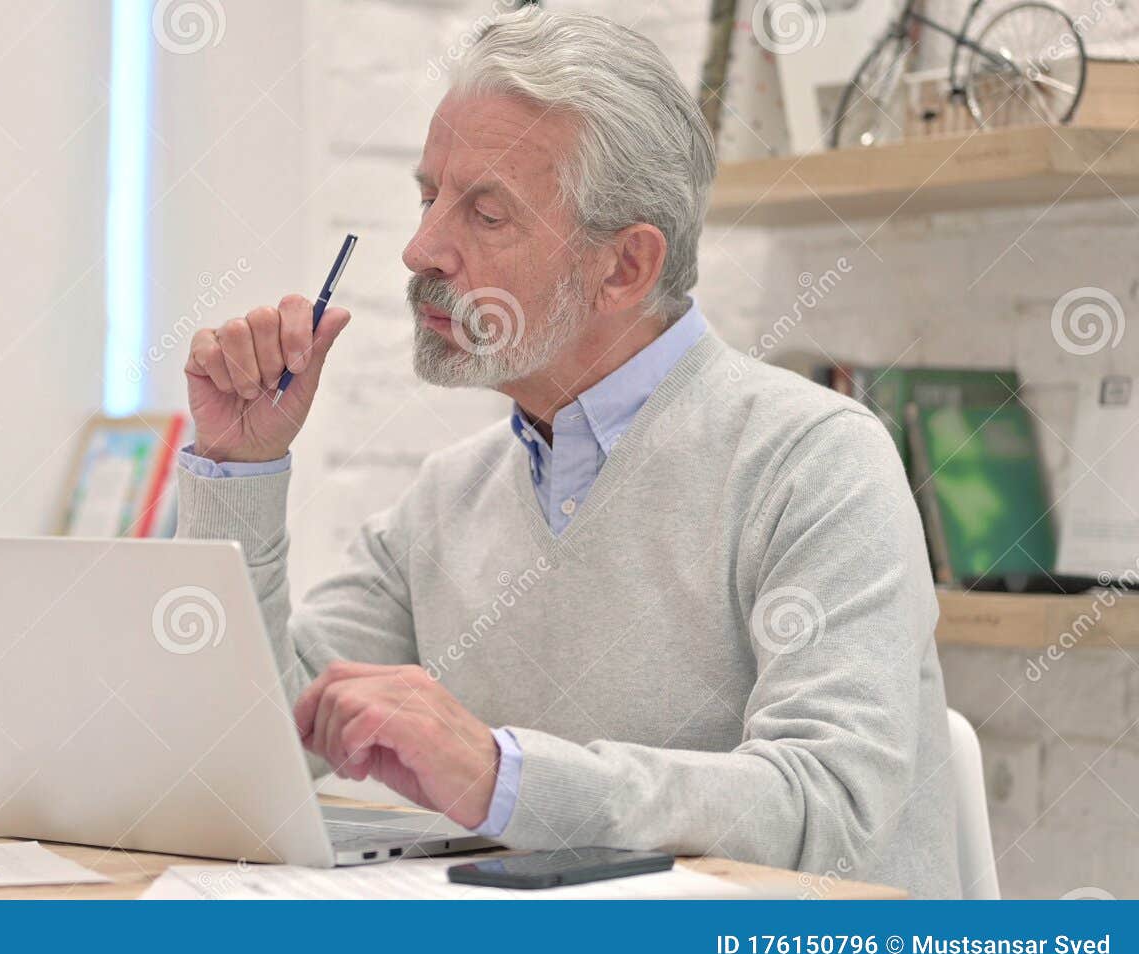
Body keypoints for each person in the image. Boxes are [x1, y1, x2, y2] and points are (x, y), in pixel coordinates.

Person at [174, 7, 959, 897]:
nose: (421, 248)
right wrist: (239, 470)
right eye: (429, 196)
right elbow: (250, 748)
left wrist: (502, 775)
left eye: (486, 212)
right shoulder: (446, 502)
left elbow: (831, 810)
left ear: (624, 267)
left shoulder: (815, 463)